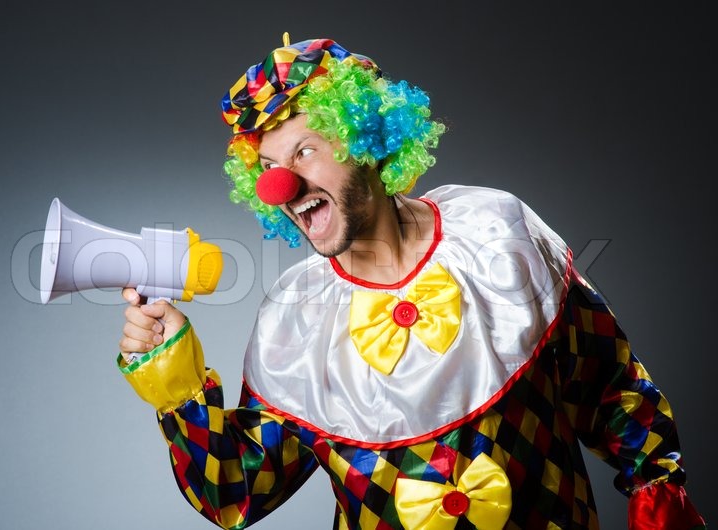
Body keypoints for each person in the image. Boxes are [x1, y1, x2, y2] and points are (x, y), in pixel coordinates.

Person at [116, 35, 705, 529]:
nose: (282, 186)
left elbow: (607, 382)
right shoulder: (293, 322)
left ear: (366, 138)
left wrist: (657, 490)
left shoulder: (495, 231)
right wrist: (174, 380)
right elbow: (235, 493)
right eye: (268, 169)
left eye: (304, 152)